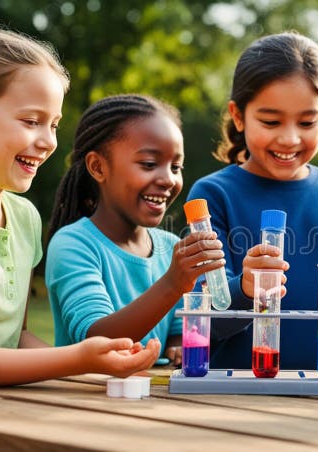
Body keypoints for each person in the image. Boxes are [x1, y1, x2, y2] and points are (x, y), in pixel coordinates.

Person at [0, 28, 159, 387]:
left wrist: (93, 370)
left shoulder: (24, 217)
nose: (49, 141)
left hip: (0, 409)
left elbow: (13, 339)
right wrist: (77, 357)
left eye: (53, 125)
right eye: (31, 121)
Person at [186, 32, 318, 370]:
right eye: (271, 121)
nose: (289, 138)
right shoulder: (212, 196)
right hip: (229, 395)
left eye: (307, 122)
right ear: (239, 116)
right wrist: (244, 289)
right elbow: (204, 324)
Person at [46, 94, 226, 366]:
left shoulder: (168, 246)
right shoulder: (74, 244)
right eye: (149, 164)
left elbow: (177, 330)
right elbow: (97, 341)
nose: (168, 179)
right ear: (98, 167)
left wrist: (178, 347)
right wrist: (172, 283)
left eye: (176, 166)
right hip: (85, 399)